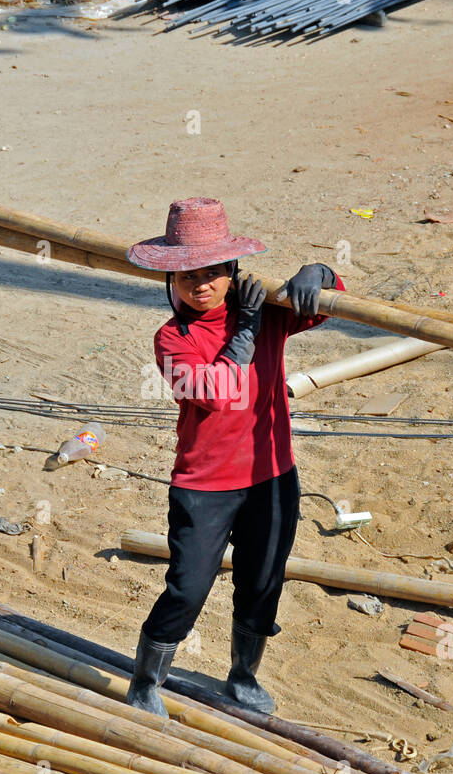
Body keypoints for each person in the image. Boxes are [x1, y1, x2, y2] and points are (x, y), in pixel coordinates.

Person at [124, 197, 343, 718]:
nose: (200, 286)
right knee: (188, 584)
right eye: (186, 277)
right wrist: (243, 331)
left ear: (232, 271)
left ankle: (243, 674)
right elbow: (215, 390)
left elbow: (329, 303)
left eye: (212, 273)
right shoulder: (173, 338)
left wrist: (321, 272)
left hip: (271, 475)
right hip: (205, 485)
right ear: (170, 282)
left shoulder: (266, 311)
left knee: (263, 579)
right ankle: (145, 680)